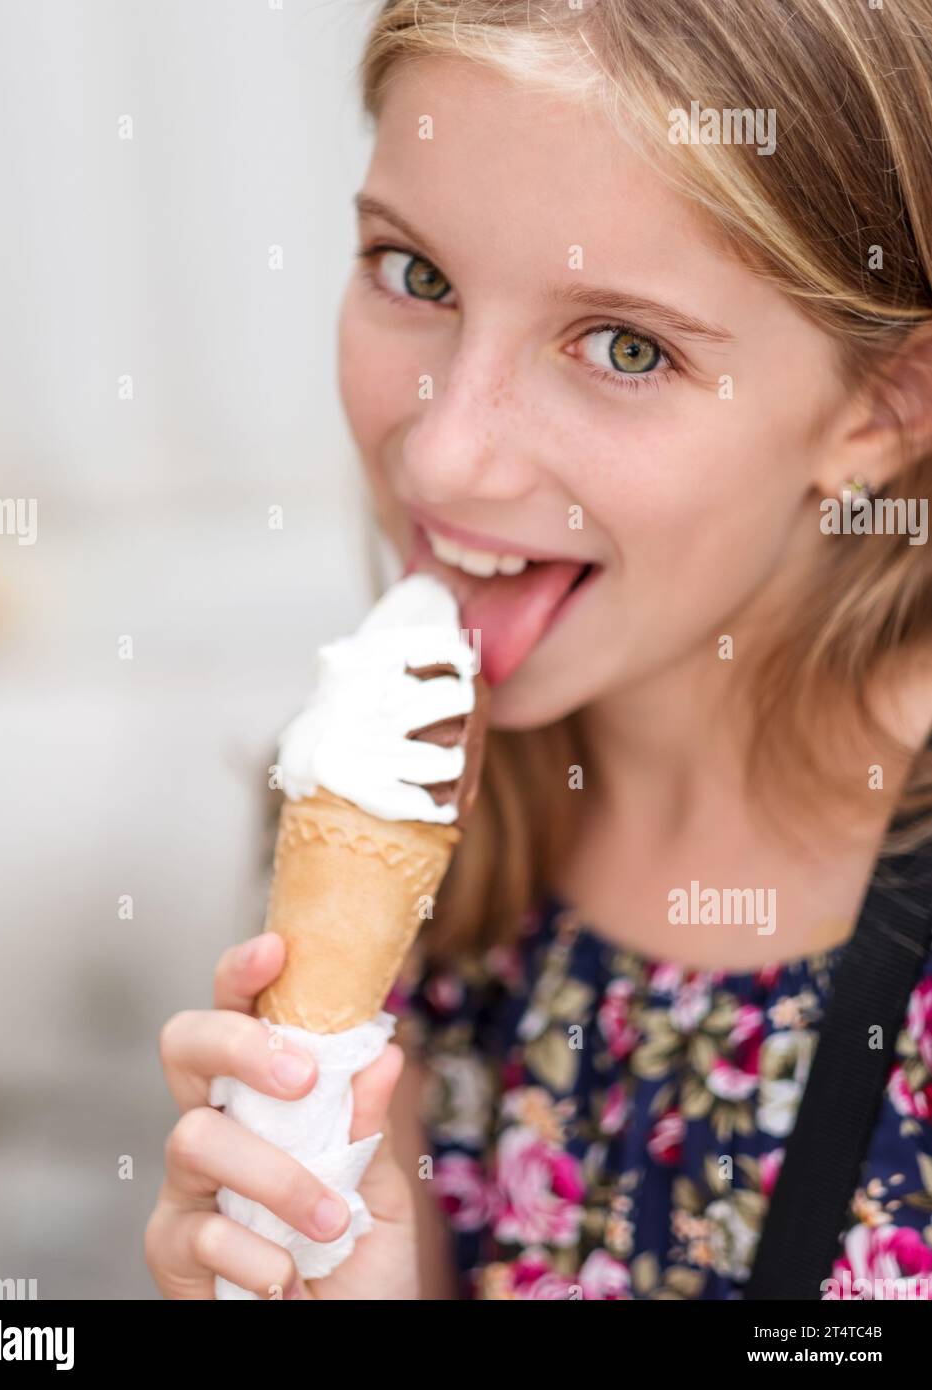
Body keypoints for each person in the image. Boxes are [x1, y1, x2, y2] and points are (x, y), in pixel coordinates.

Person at [145, 0, 932, 1299]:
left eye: (624, 347)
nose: (443, 452)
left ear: (881, 410)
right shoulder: (386, 832)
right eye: (415, 274)